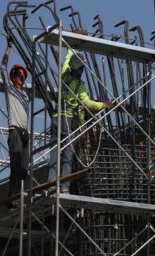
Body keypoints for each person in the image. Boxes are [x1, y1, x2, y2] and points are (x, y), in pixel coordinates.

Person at [48, 45, 112, 193]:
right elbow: (88, 104)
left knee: (54, 153)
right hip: (68, 121)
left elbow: (65, 60)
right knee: (68, 154)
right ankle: (64, 187)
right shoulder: (79, 86)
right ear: (81, 69)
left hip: (55, 119)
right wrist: (104, 104)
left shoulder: (63, 76)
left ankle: (51, 184)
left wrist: (72, 48)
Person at [1, 38, 30, 203]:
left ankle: (16, 195)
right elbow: (3, 67)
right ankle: (13, 198)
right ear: (13, 77)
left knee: (25, 167)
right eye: (19, 75)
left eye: (23, 75)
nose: (22, 77)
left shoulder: (26, 94)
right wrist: (8, 48)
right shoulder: (10, 89)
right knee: (16, 163)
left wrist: (32, 71)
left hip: (25, 133)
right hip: (15, 131)